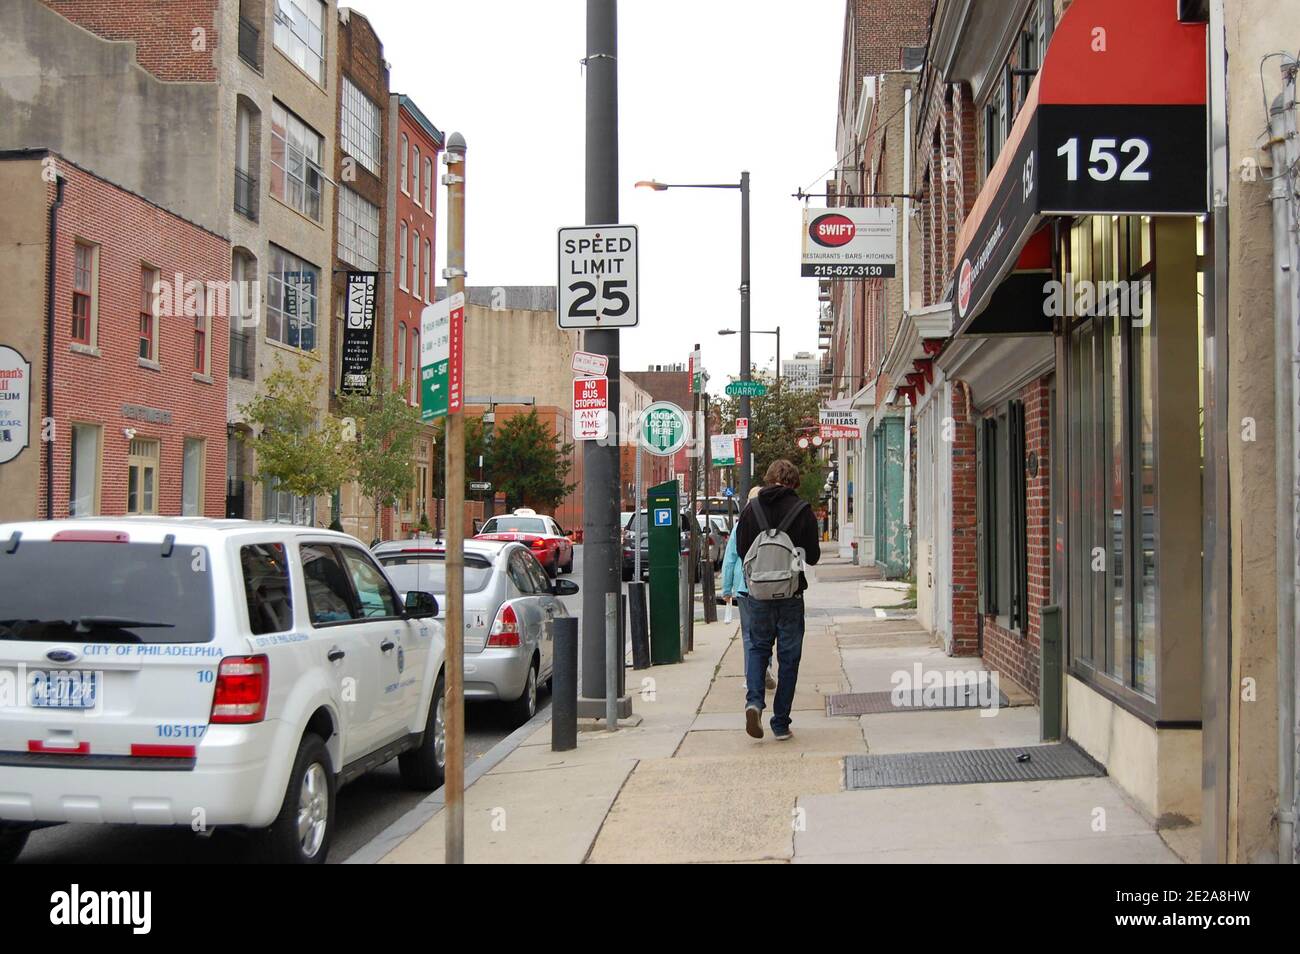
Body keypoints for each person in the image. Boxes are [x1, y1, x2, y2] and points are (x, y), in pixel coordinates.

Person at [735, 459, 821, 741]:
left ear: (769, 479)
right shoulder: (802, 510)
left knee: (759, 649)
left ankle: (754, 702)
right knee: (789, 659)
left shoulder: (751, 510)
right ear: (794, 482)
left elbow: (741, 549)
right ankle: (781, 722)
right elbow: (814, 556)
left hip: (758, 593)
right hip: (791, 594)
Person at [720, 486, 775, 689]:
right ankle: (766, 666)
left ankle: (751, 676)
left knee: (748, 634)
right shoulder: (772, 524)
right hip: (768, 585)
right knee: (767, 631)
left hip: (744, 586)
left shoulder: (740, 526)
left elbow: (730, 558)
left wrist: (726, 589)